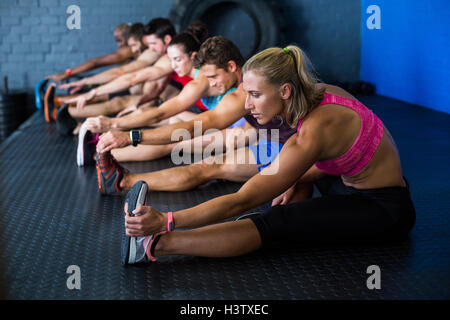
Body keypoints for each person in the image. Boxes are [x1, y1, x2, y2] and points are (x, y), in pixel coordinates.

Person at [119, 45, 416, 264]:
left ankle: (157, 243)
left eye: (256, 95)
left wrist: (167, 219)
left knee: (276, 223)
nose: (247, 104)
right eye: (247, 93)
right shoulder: (320, 92)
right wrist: (293, 176)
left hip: (385, 209)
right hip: (349, 181)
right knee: (294, 184)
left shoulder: (315, 130)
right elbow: (343, 154)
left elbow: (243, 199)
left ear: (285, 91)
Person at [94, 36, 297, 194]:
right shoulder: (239, 88)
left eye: (213, 76)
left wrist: (130, 136)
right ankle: (113, 169)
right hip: (269, 139)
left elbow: (195, 126)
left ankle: (122, 180)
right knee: (197, 158)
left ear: (232, 67)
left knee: (206, 167)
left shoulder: (243, 92)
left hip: (282, 146)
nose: (211, 83)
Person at [45, 23, 135, 84]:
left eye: (120, 41)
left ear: (128, 37)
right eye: (116, 41)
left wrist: (66, 73)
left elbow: (96, 63)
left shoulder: (128, 50)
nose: (119, 45)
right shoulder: (126, 50)